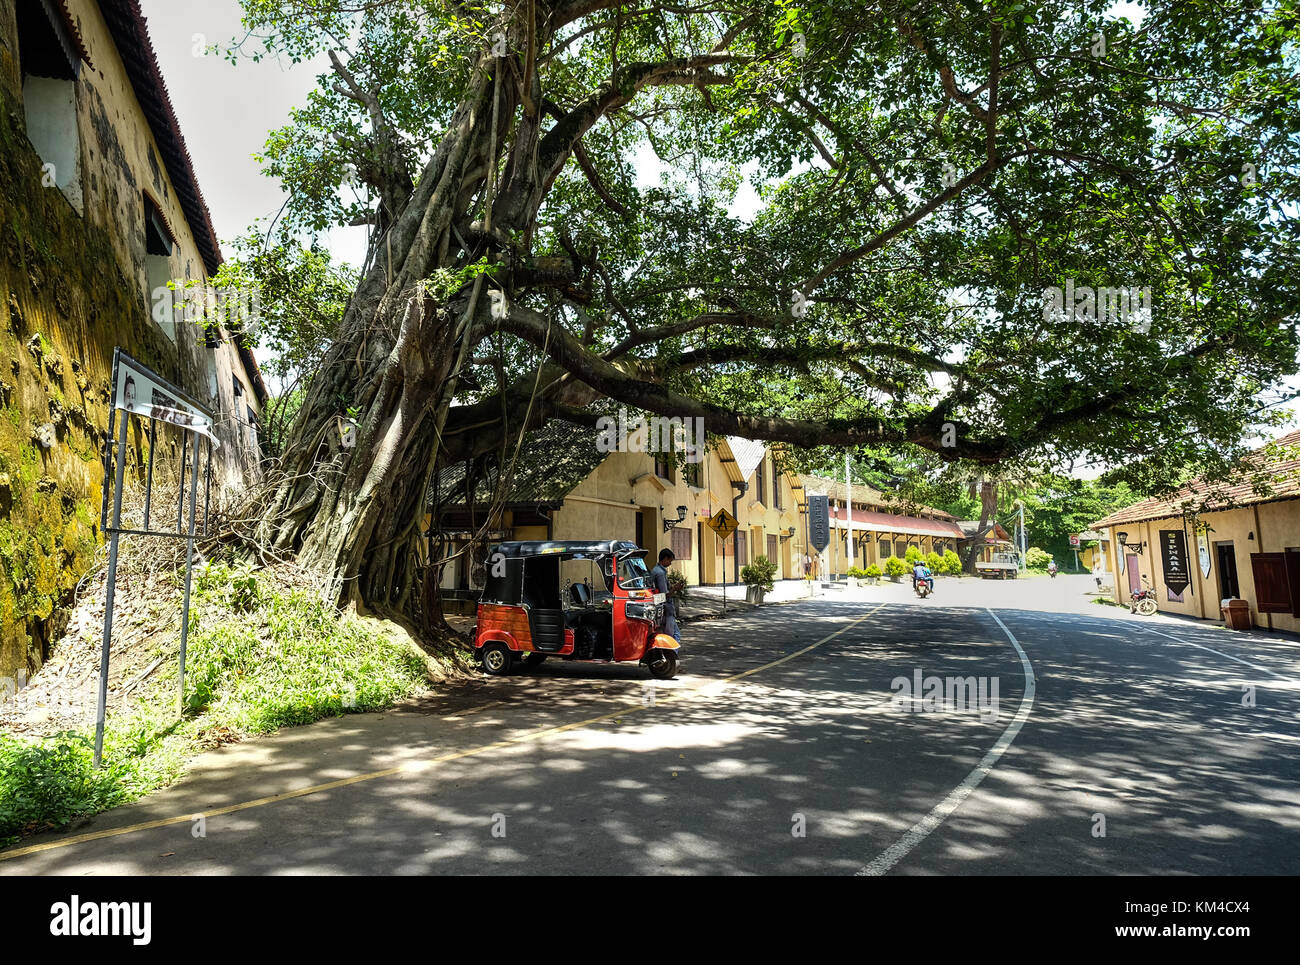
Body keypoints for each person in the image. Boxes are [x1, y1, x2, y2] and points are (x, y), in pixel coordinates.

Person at [649, 548, 680, 642]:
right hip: (665, 608)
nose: (670, 563)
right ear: (665, 559)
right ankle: (671, 654)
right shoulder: (660, 573)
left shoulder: (657, 570)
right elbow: (664, 595)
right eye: (670, 561)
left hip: (661, 608)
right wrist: (674, 589)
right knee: (673, 635)